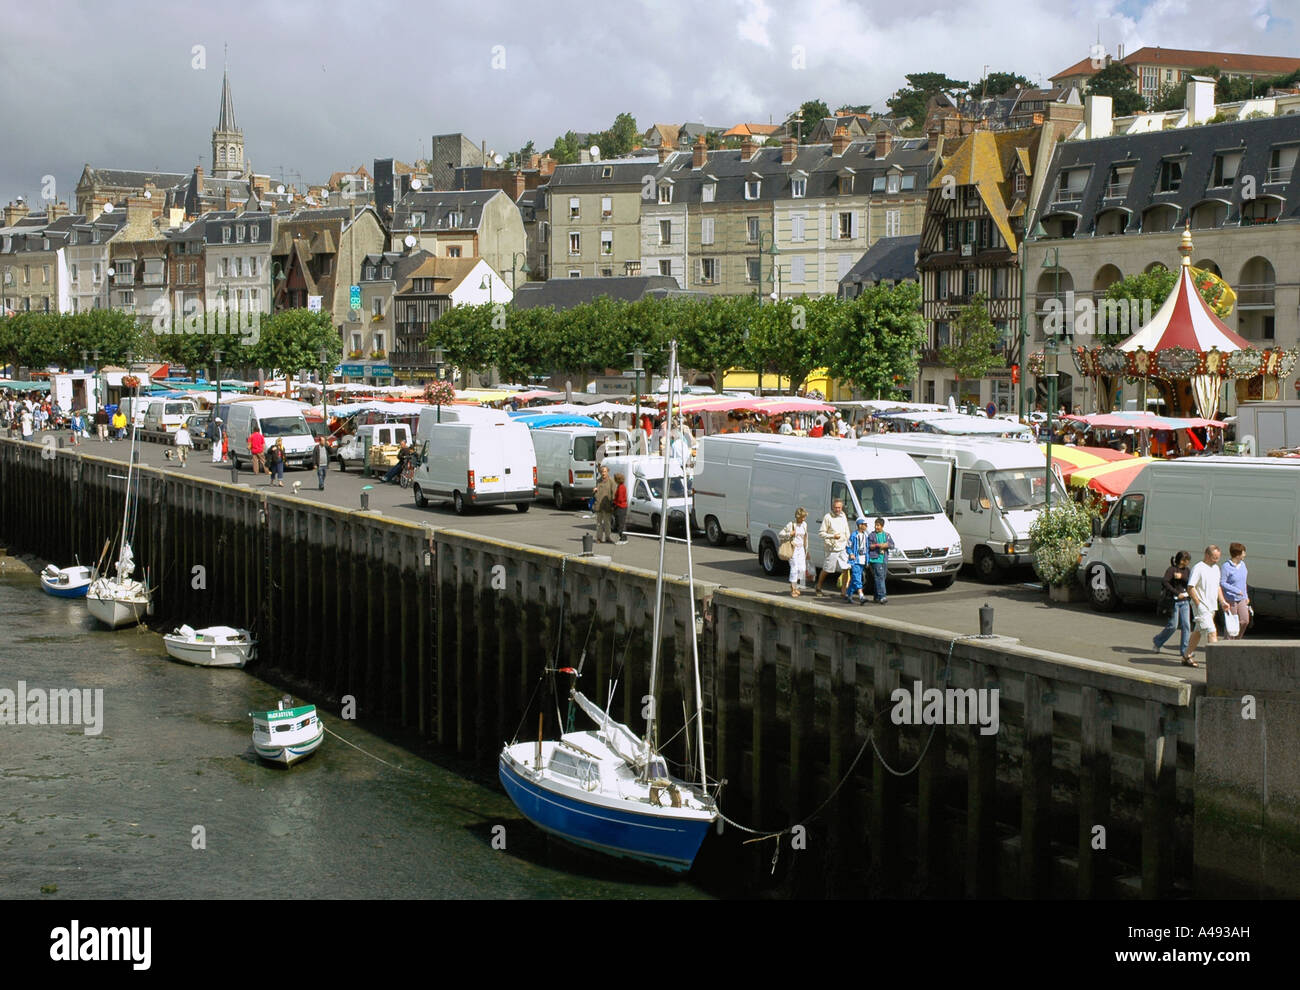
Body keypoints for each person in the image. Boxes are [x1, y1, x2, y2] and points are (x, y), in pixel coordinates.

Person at [1184, 545, 1229, 667]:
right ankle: (1216, 663)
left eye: (1218, 558)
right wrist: (1198, 604)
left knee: (1198, 631)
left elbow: (1217, 587)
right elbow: (1190, 587)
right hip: (1201, 606)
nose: (1216, 560)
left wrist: (1223, 601)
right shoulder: (1198, 568)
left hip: (1211, 606)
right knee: (1211, 631)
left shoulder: (1216, 568)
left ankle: (1187, 655)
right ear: (1207, 555)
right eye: (1214, 557)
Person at [1153, 551, 1192, 658]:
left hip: (1185, 600)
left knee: (1186, 625)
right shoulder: (1171, 570)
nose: (1187, 562)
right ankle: (1157, 641)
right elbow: (1165, 582)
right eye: (1186, 560)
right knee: (1173, 626)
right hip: (1174, 601)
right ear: (1180, 560)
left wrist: (1182, 577)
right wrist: (1176, 593)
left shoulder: (1187, 570)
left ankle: (1184, 650)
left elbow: (1190, 582)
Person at [814, 497, 850, 597]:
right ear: (832, 507)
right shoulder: (828, 517)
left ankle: (843, 591)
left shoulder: (843, 516)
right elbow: (821, 533)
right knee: (827, 569)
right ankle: (818, 586)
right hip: (832, 548)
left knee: (846, 568)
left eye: (839, 507)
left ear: (842, 507)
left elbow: (846, 530)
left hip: (843, 546)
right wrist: (832, 536)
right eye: (835, 507)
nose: (837, 509)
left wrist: (849, 542)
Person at [1220, 542, 1250, 640]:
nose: (1245, 555)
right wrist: (1235, 590)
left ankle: (1237, 640)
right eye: (1243, 553)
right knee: (1231, 624)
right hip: (1230, 598)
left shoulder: (1243, 565)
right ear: (1238, 554)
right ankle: (1227, 643)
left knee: (1245, 620)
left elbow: (1243, 582)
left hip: (1241, 598)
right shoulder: (1226, 566)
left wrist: (1245, 596)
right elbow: (1222, 582)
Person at [779, 507, 811, 596]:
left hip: (801, 549)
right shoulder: (791, 524)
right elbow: (780, 534)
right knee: (794, 568)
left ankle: (794, 586)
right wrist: (789, 534)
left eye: (804, 517)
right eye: (802, 517)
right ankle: (793, 589)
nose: (803, 519)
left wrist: (807, 550)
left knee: (802, 569)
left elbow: (805, 538)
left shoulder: (804, 525)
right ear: (798, 516)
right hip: (793, 548)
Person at [866, 516, 896, 604]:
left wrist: (886, 545)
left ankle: (876, 597)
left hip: (884, 559)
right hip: (875, 559)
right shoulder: (871, 535)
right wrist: (878, 545)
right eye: (875, 525)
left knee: (880, 577)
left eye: (878, 525)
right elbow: (869, 546)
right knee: (879, 577)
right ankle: (882, 596)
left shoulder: (886, 535)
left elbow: (892, 545)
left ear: (882, 526)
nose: (876, 527)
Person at [844, 517, 872, 603]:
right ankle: (861, 596)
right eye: (864, 525)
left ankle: (849, 594)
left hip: (863, 560)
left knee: (854, 579)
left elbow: (867, 549)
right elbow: (848, 546)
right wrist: (851, 554)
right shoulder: (854, 535)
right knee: (857, 578)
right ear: (860, 525)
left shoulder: (865, 535)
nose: (866, 526)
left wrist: (867, 560)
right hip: (856, 560)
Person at [593, 464, 616, 543]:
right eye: (602, 472)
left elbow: (614, 493)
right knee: (599, 523)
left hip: (607, 505)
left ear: (608, 472)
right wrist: (595, 492)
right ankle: (599, 538)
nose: (603, 473)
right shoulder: (598, 481)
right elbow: (596, 492)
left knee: (607, 523)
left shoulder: (611, 481)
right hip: (599, 505)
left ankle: (608, 537)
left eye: (605, 471)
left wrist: (613, 504)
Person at [612, 472, 629, 544]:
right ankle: (622, 537)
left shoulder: (621, 487)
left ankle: (623, 538)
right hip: (622, 506)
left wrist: (614, 504)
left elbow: (620, 499)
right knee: (621, 523)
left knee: (620, 523)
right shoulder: (621, 486)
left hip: (620, 507)